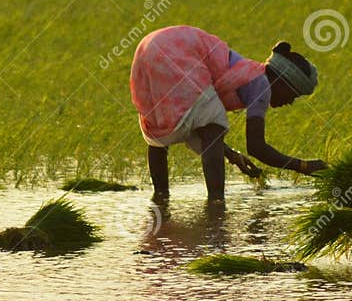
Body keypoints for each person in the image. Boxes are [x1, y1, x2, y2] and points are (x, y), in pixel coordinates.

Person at [130, 25, 327, 203]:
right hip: (176, 51)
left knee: (159, 125)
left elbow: (198, 122)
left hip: (149, 48)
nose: (290, 102)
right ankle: (216, 205)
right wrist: (303, 166)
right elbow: (256, 147)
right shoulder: (262, 86)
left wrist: (231, 155)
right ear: (282, 81)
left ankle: (160, 199)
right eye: (293, 95)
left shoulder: (247, 74)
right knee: (214, 127)